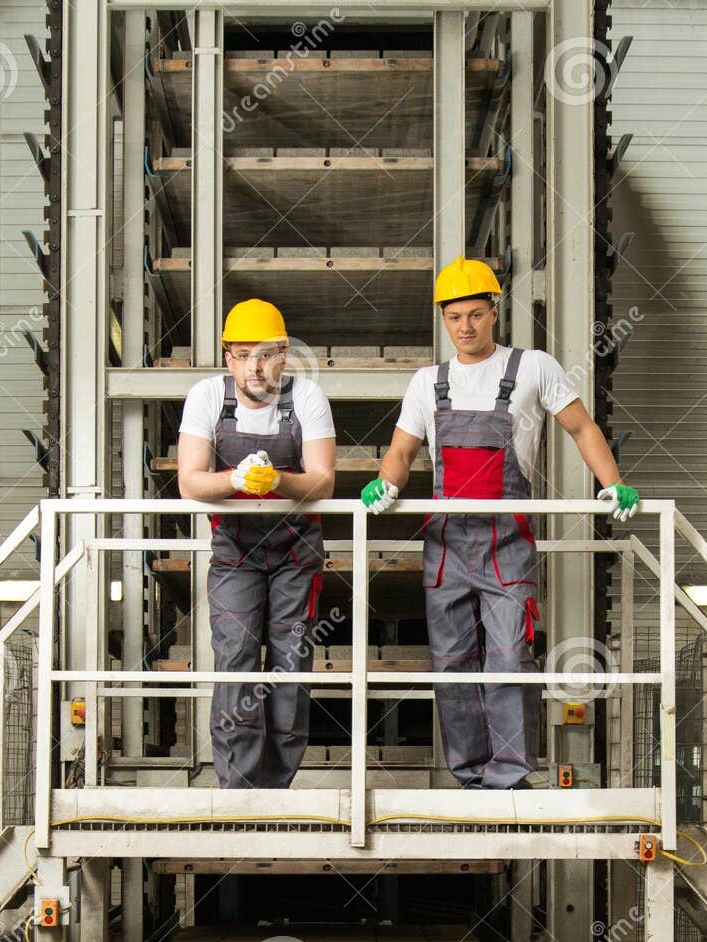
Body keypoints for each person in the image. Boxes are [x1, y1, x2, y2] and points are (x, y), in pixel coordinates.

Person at [360, 258, 640, 791]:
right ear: (443, 320)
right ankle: (468, 776)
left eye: (475, 315)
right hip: (446, 545)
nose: (465, 328)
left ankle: (509, 776)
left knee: (511, 655)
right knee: (453, 663)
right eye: (454, 318)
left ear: (494, 312)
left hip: (507, 542)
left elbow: (581, 427)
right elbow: (401, 449)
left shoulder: (533, 368)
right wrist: (387, 484)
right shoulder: (428, 382)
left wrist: (612, 482)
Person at [177, 299, 336, 789]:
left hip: (296, 554)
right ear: (227, 356)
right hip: (235, 556)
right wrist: (236, 480)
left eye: (266, 354)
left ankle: (278, 786)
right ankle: (239, 789)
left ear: (284, 355)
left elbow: (323, 483)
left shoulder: (307, 398)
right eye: (243, 354)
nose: (255, 366)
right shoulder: (206, 397)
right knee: (236, 659)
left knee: (291, 663)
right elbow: (190, 483)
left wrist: (278, 483)